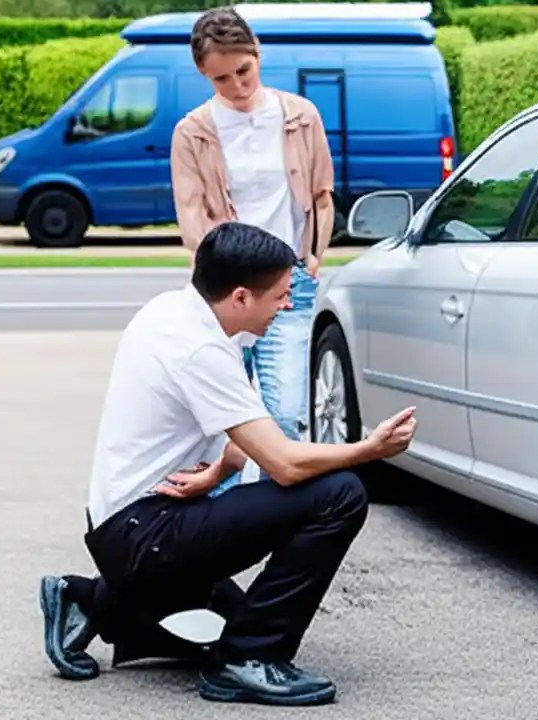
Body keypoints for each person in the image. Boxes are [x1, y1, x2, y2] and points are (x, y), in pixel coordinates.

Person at [39, 222, 416, 706]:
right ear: (240, 296)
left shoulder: (181, 312)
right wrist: (368, 451)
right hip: (140, 533)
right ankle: (247, 661)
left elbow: (244, 438)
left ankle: (86, 602)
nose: (286, 306)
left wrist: (216, 474)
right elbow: (283, 464)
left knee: (225, 617)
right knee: (340, 493)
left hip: (131, 521)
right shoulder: (198, 348)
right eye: (280, 296)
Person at [170, 6, 335, 464]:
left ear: (257, 53)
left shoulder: (301, 116)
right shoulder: (192, 132)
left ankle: (278, 522)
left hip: (289, 284)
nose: (238, 86)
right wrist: (216, 278)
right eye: (222, 79)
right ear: (204, 74)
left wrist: (314, 258)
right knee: (221, 423)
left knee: (284, 417)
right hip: (224, 292)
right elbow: (191, 211)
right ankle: (224, 524)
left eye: (244, 70)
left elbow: (322, 194)